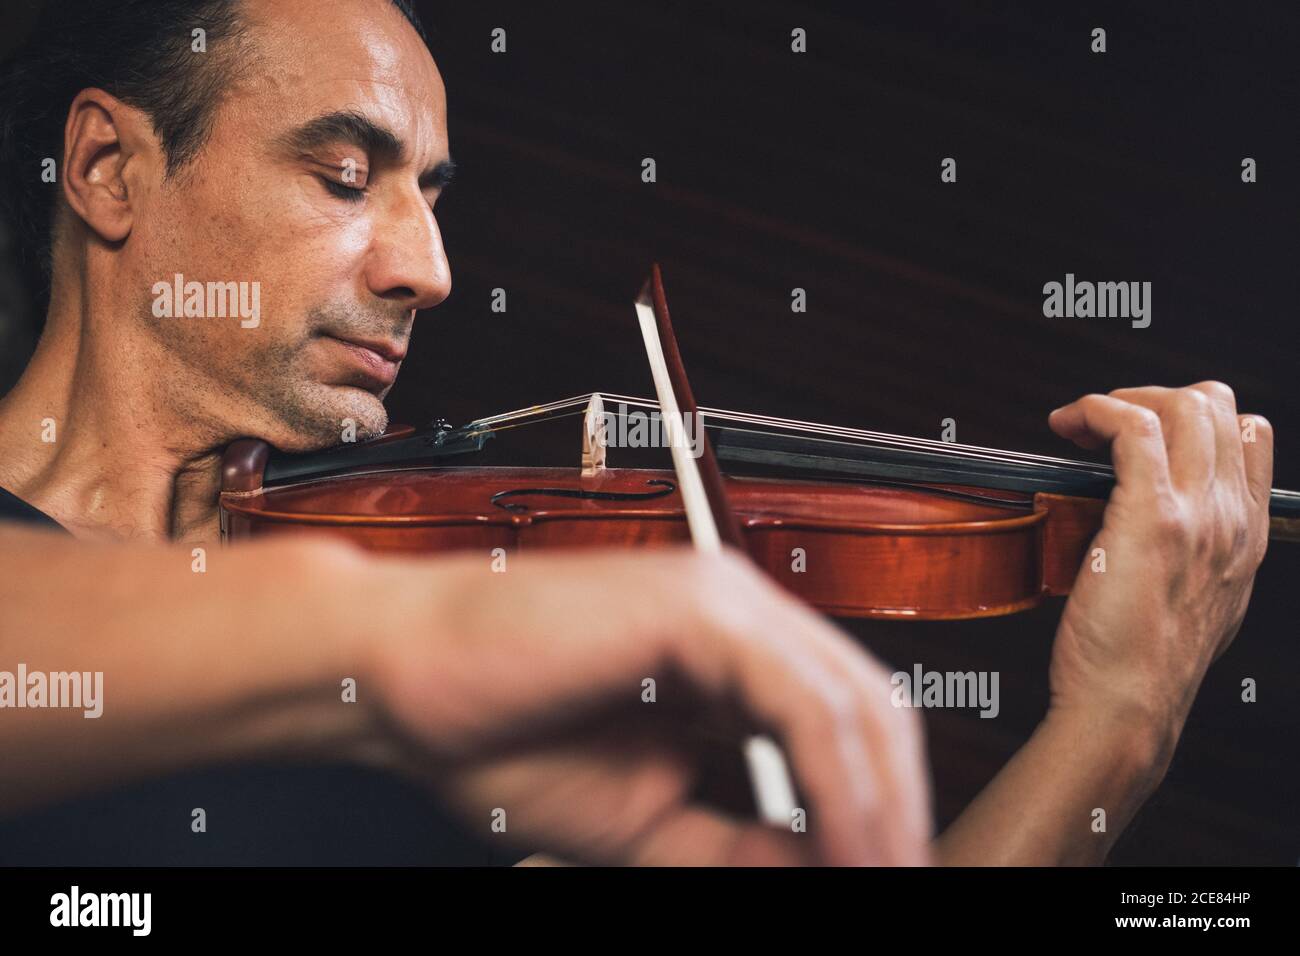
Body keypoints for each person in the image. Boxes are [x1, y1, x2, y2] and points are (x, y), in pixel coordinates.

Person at [0, 0, 1273, 866]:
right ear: (110, 169)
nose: (431, 267)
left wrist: (1117, 719)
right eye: (345, 176)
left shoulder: (460, 683)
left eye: (430, 195)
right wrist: (402, 638)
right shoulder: (419, 634)